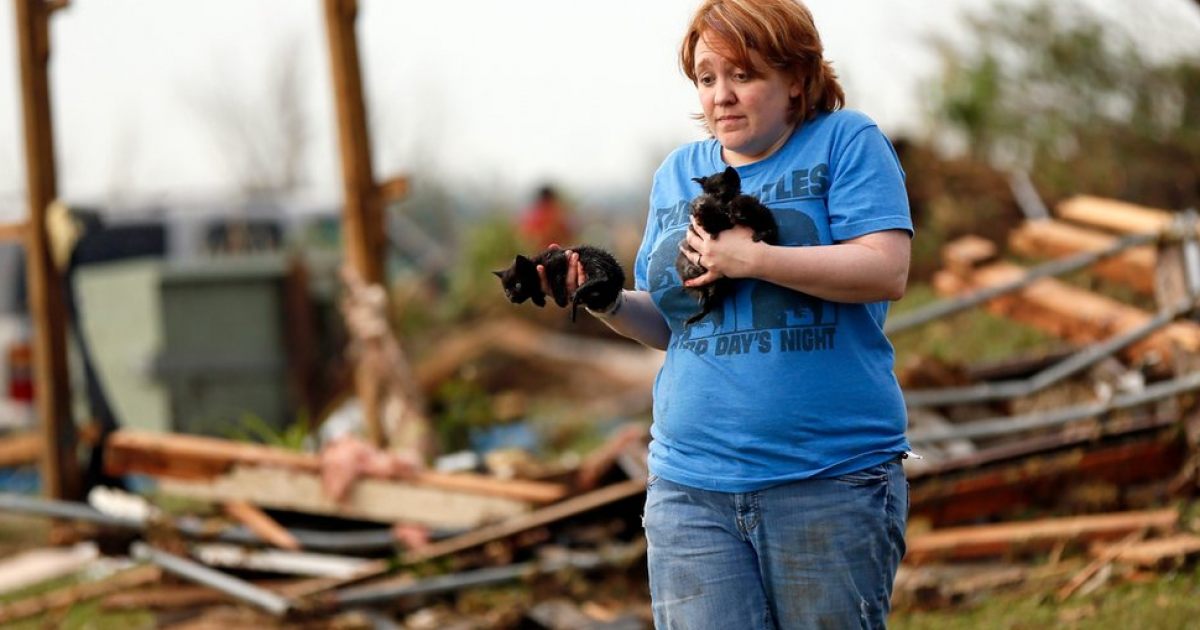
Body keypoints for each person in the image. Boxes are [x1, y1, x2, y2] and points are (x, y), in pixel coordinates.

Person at [540, 0, 912, 627]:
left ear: (795, 78)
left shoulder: (846, 141)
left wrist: (755, 259)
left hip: (826, 478)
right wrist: (606, 299)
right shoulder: (678, 172)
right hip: (690, 488)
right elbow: (671, 324)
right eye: (707, 78)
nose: (722, 96)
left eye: (743, 75)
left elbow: (885, 270)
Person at [519, 184, 575, 249]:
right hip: (555, 251)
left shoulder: (531, 217)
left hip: (540, 252)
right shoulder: (558, 214)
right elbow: (568, 235)